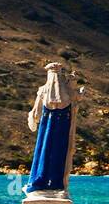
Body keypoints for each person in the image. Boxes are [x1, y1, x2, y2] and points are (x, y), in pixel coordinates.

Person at [25, 61, 83, 194]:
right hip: (61, 131)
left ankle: (42, 181)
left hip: (47, 131)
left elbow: (35, 113)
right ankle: (54, 183)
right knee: (57, 154)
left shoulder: (44, 91)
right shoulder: (66, 93)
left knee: (45, 153)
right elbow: (75, 101)